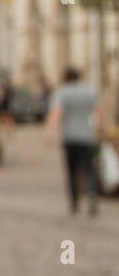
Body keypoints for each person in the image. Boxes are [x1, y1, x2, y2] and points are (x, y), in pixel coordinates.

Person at [46, 67, 101, 216]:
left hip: (70, 138)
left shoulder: (62, 93)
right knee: (90, 170)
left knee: (72, 171)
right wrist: (102, 131)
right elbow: (98, 113)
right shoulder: (89, 91)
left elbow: (56, 114)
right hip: (88, 137)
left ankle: (75, 202)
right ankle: (92, 198)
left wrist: (51, 133)